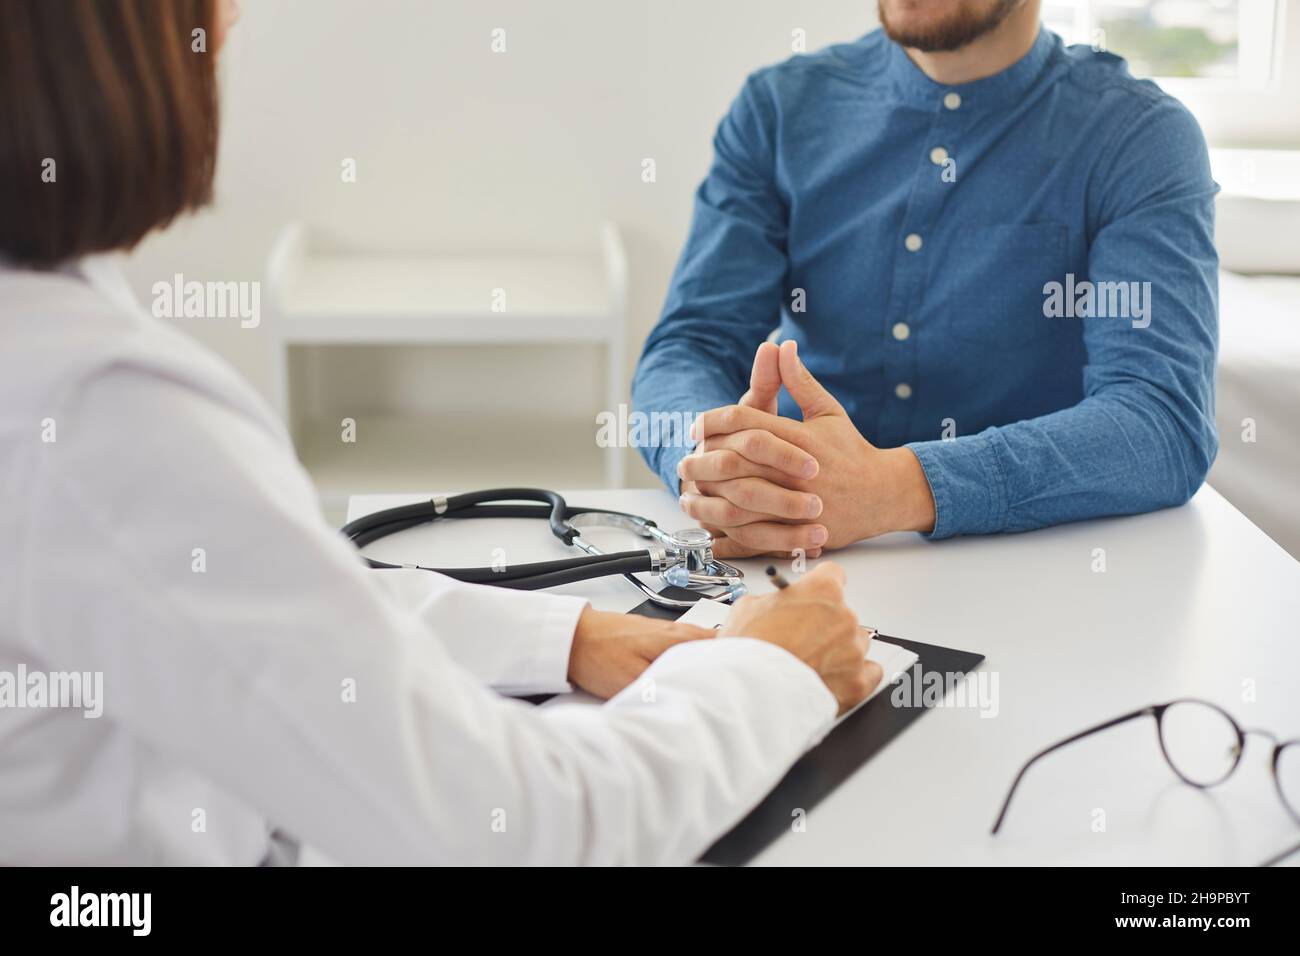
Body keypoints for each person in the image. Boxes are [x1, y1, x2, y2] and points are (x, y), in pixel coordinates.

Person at [0, 0, 882, 866]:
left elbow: (267, 608)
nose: (229, 21)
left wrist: (565, 639)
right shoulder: (97, 415)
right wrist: (770, 671)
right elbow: (520, 828)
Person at [633, 0, 1219, 558]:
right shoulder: (779, 108)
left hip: (1031, 569)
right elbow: (692, 343)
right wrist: (718, 462)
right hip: (788, 552)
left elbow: (1159, 419)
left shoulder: (1137, 137)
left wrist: (895, 488)